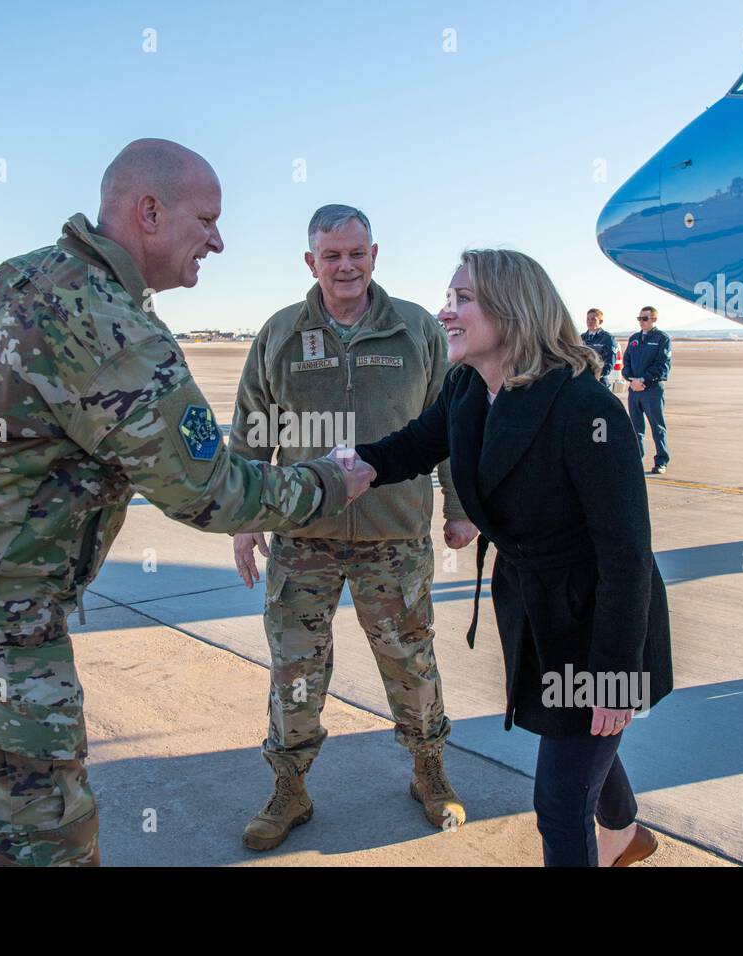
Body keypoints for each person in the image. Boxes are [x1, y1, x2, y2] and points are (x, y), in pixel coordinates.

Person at [0, 139, 374, 867]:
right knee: (40, 835)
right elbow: (208, 490)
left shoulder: (8, 279)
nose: (218, 238)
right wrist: (331, 481)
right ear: (149, 212)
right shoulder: (114, 330)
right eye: (205, 218)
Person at [351, 249, 673, 867]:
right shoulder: (471, 387)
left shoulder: (586, 409)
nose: (445, 311)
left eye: (462, 299)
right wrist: (358, 466)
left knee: (558, 798)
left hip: (598, 621)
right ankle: (628, 836)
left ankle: (612, 836)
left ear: (512, 309)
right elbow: (419, 442)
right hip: (534, 608)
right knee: (577, 740)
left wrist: (614, 674)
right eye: (449, 297)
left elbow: (627, 556)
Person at [229, 204, 476, 850]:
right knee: (294, 671)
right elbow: (253, 432)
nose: (346, 266)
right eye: (331, 255)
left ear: (375, 255)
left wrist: (458, 504)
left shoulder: (417, 331)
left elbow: (449, 428)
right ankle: (289, 789)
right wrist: (244, 521)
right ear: (310, 262)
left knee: (411, 664)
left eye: (356, 253)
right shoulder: (280, 335)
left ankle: (429, 771)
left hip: (393, 539)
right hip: (301, 538)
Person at [622, 306, 672, 474]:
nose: (641, 322)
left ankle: (661, 461)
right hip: (634, 390)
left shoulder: (661, 339)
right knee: (636, 428)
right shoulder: (634, 339)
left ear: (654, 320)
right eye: (639, 318)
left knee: (657, 427)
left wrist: (643, 380)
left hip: (651, 391)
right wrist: (631, 379)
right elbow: (626, 362)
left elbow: (662, 366)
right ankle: (637, 459)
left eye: (645, 318)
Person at [581, 308, 615, 385]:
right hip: (584, 381)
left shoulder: (608, 338)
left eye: (593, 319)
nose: (589, 322)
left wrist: (597, 375)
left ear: (601, 321)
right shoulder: (581, 338)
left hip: (600, 382)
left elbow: (609, 363)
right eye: (588, 319)